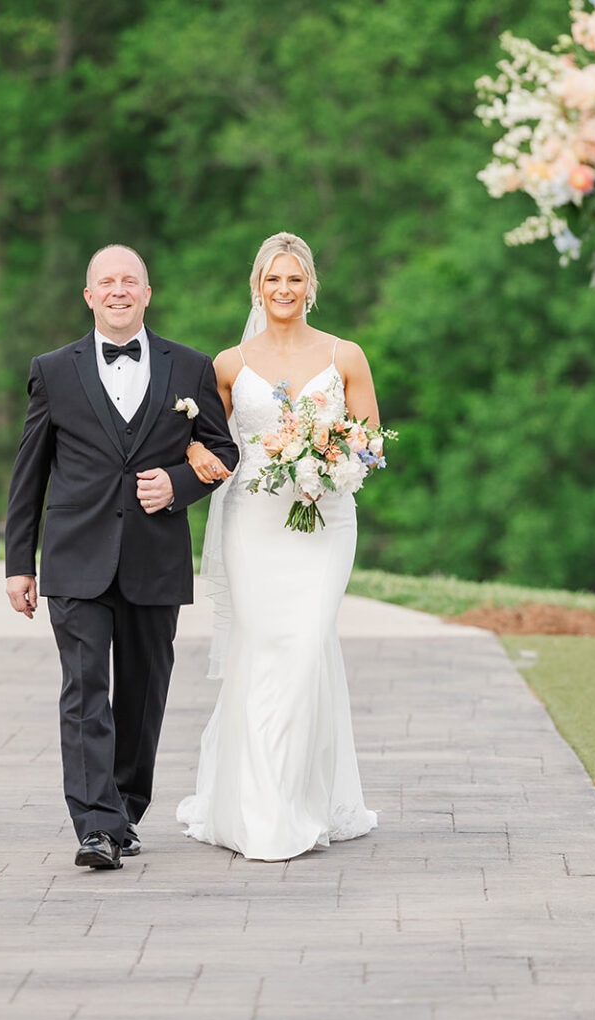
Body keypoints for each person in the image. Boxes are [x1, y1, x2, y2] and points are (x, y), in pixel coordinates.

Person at [4, 244, 238, 870]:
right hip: (76, 555)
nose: (118, 290)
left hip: (154, 556)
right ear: (89, 296)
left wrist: (179, 485)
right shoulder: (53, 370)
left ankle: (126, 808)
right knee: (84, 689)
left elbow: (224, 451)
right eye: (106, 282)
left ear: (146, 292)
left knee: (143, 693)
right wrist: (17, 563)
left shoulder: (188, 368)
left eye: (129, 281)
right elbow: (30, 472)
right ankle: (95, 825)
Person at [175, 232, 380, 861]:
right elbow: (200, 440)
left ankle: (299, 797)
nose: (283, 290)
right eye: (272, 280)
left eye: (294, 279)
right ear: (257, 288)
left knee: (306, 645)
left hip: (327, 519)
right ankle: (261, 808)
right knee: (263, 650)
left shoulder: (346, 356)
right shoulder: (229, 364)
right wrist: (199, 457)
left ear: (310, 285)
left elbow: (371, 437)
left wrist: (334, 459)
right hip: (253, 521)